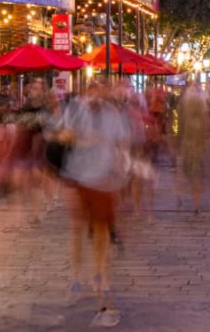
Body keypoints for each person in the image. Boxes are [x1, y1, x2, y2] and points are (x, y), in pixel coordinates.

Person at [55, 81, 134, 326]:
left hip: (103, 179)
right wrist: (82, 138)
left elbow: (123, 143)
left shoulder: (113, 114)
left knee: (101, 231)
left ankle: (100, 279)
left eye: (100, 91)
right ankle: (76, 275)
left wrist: (123, 165)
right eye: (92, 92)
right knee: (78, 229)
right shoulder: (76, 110)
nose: (96, 96)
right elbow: (62, 135)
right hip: (78, 177)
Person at [177, 82, 210, 214]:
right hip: (197, 149)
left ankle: (181, 195)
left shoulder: (184, 110)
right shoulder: (202, 116)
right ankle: (196, 203)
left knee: (188, 175)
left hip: (188, 147)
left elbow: (179, 129)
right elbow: (206, 128)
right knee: (197, 176)